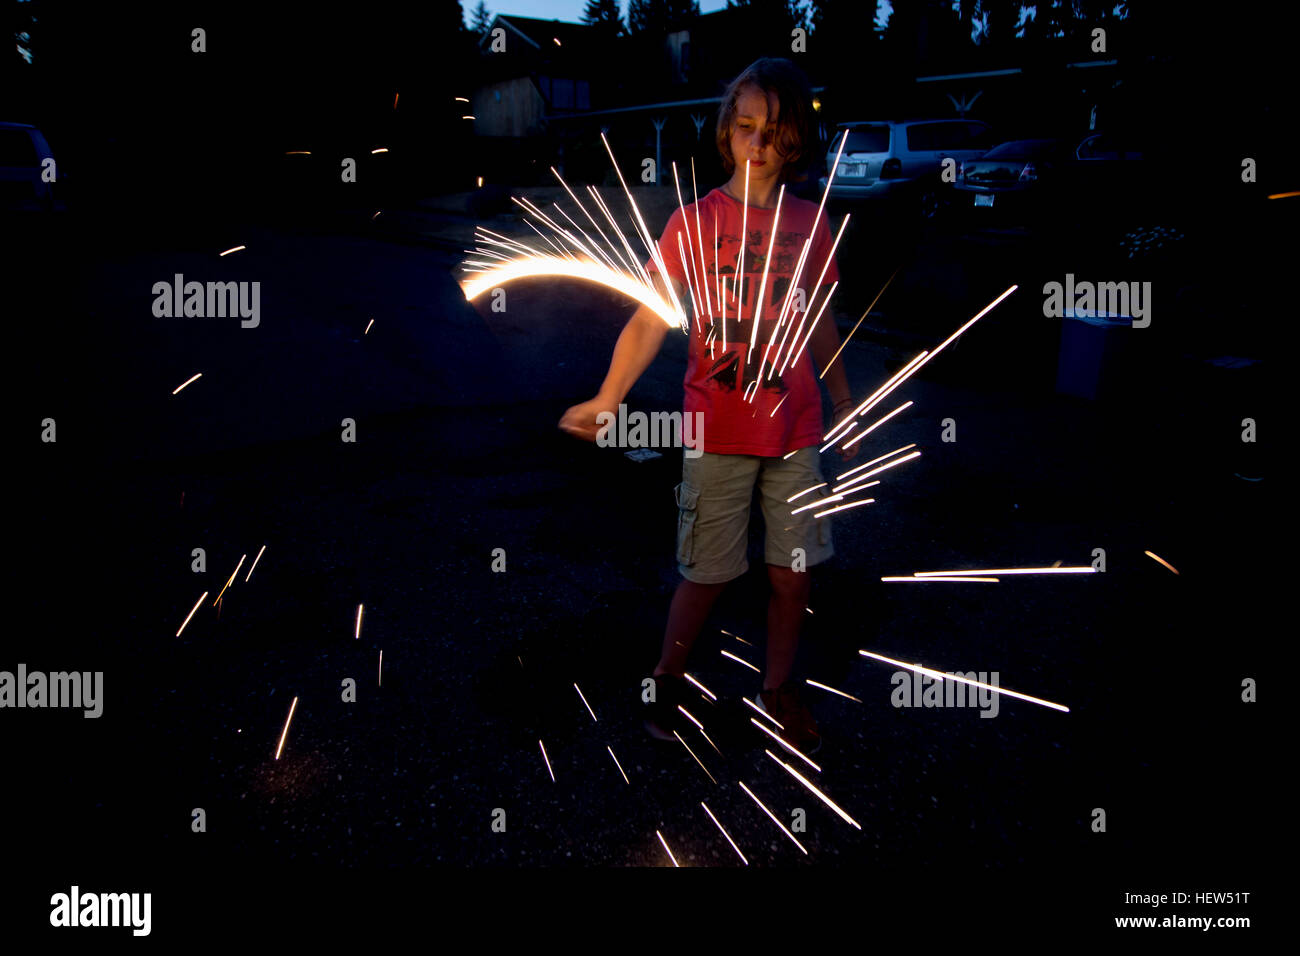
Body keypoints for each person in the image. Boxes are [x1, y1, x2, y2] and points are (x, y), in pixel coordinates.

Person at [559, 57, 858, 755]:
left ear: (794, 143)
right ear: (726, 134)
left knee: (793, 574)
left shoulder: (811, 227)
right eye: (746, 127)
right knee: (708, 572)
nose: (759, 144)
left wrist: (843, 399)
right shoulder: (693, 224)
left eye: (775, 131)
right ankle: (667, 675)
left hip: (795, 432)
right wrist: (609, 398)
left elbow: (821, 324)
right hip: (718, 433)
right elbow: (646, 320)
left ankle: (778, 686)